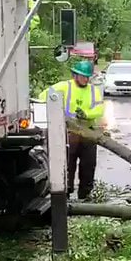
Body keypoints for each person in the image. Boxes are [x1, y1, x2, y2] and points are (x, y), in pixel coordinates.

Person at [38, 60, 105, 200]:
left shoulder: (93, 90)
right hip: (68, 133)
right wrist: (57, 112)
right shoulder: (64, 86)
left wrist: (86, 114)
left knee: (88, 164)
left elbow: (99, 109)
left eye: (87, 77)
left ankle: (85, 194)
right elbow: (43, 97)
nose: (85, 79)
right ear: (75, 75)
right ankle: (66, 193)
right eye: (83, 76)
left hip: (88, 132)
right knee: (68, 164)